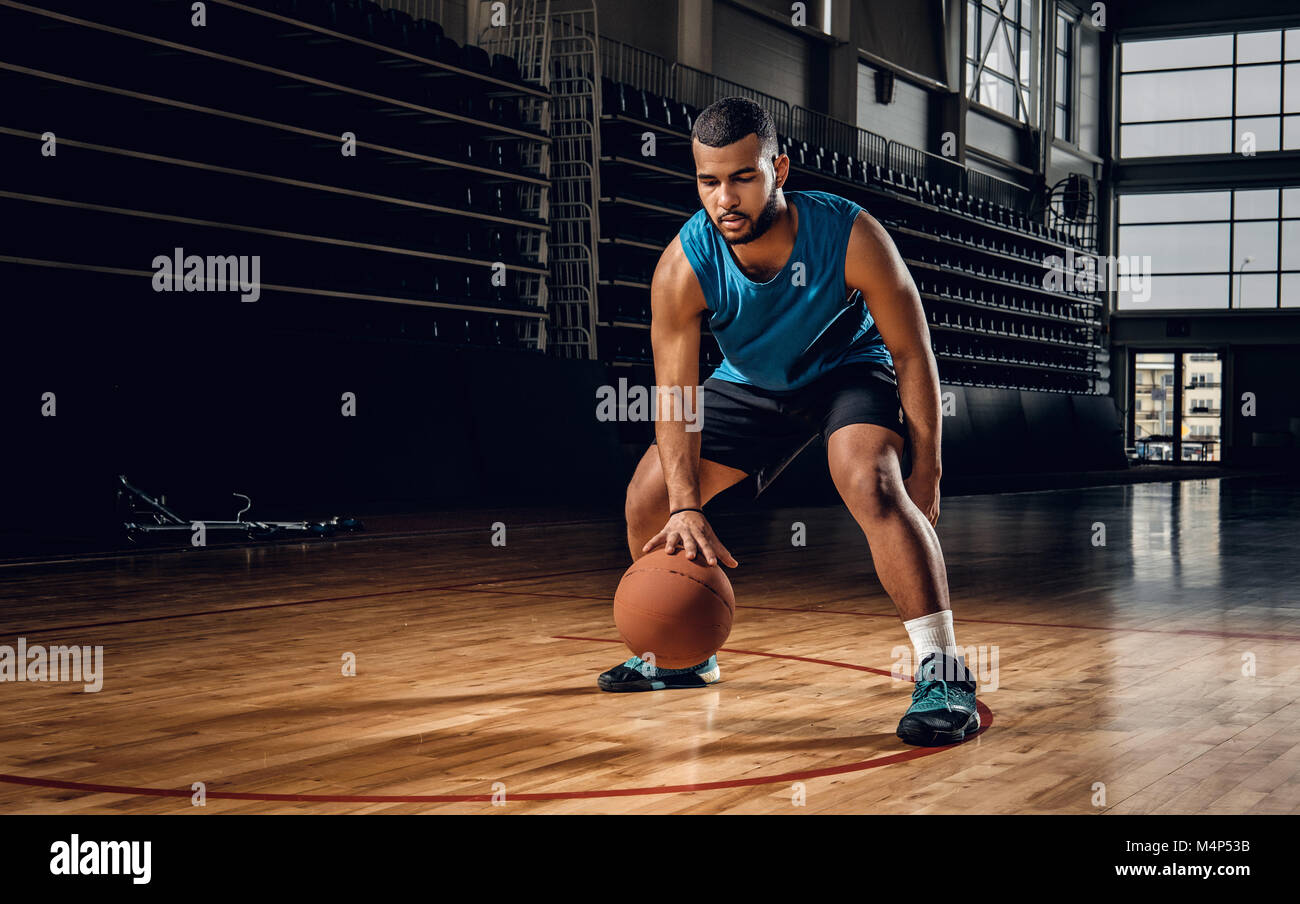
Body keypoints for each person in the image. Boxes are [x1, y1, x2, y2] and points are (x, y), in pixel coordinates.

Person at [596, 97, 978, 747]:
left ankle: (943, 672)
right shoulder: (682, 266)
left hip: (846, 370)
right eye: (708, 181)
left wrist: (928, 466)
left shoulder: (851, 235)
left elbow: (912, 350)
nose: (725, 199)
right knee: (648, 499)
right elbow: (676, 397)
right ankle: (683, 653)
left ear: (780, 168)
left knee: (869, 481)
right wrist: (686, 506)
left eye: (743, 177)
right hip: (751, 385)